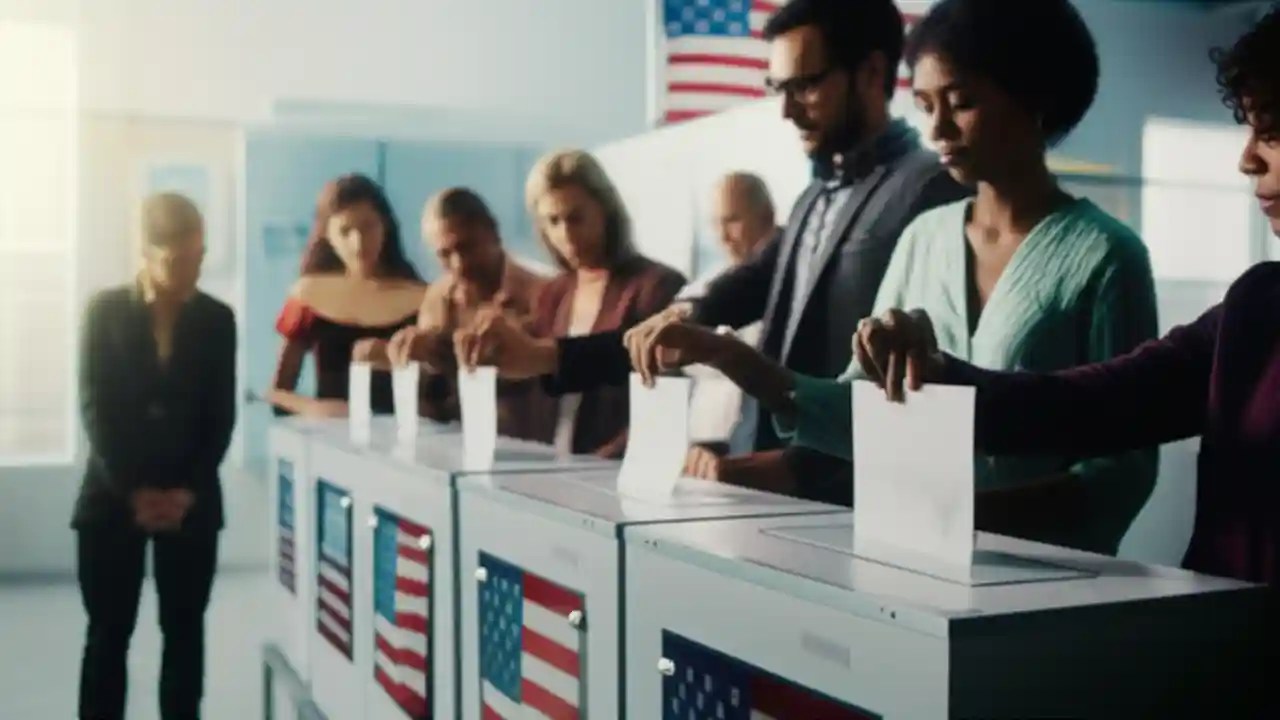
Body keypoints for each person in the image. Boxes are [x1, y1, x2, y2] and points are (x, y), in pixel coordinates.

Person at [850, 10, 1280, 710]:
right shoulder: (1259, 307)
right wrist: (940, 373)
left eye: (1271, 130)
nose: (1246, 159)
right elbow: (1087, 402)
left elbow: (1112, 472)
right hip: (1225, 670)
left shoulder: (1107, 252)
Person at [633, 0, 1160, 554]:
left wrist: (966, 518)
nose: (938, 128)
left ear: (1036, 99)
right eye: (927, 104)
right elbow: (859, 412)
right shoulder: (923, 240)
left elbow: (1122, 472)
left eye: (961, 103)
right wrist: (726, 355)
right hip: (912, 563)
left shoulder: (1106, 256)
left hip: (1046, 589)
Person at [458, 0, 966, 480]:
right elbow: (706, 307)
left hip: (845, 486)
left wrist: (788, 472)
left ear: (873, 74)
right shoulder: (815, 196)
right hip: (766, 476)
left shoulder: (929, 189)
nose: (786, 111)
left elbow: (930, 389)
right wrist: (545, 355)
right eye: (778, 87)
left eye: (805, 86)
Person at [76, 193, 236, 720]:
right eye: (176, 260)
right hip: (113, 499)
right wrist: (136, 492)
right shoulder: (103, 312)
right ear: (146, 251)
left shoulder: (217, 320)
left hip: (192, 501)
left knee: (185, 635)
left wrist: (184, 492)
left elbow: (219, 418)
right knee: (107, 636)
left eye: (198, 257)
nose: (190, 270)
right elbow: (97, 408)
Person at [465, 149, 686, 458]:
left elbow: (665, 402)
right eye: (553, 221)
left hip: (618, 471)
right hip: (554, 466)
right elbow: (534, 389)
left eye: (576, 218)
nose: (566, 234)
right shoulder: (553, 294)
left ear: (606, 211)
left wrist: (603, 464)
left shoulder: (656, 286)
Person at [355, 187, 549, 436]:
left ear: (493, 232)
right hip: (450, 450)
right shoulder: (438, 295)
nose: (458, 264)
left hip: (530, 455)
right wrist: (407, 355)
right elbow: (428, 394)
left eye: (466, 247)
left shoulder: (542, 294)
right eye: (444, 254)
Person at [268, 174, 426, 417]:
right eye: (345, 231)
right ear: (328, 236)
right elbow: (276, 392)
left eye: (368, 226)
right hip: (333, 442)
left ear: (385, 225)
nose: (358, 242)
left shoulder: (423, 298)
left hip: (407, 439)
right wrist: (314, 408)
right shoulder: (309, 295)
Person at [679, 172, 779, 472]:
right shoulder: (698, 290)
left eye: (733, 220)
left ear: (767, 217)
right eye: (716, 223)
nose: (723, 235)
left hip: (760, 449)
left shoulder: (786, 289)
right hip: (699, 445)